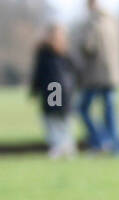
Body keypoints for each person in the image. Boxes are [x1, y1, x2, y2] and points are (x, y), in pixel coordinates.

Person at [75, 0, 119, 154]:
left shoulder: (92, 22)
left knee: (82, 109)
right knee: (111, 112)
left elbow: (88, 47)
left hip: (96, 75)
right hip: (113, 74)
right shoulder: (113, 21)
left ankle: (102, 140)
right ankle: (117, 147)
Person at [29, 25, 79, 158]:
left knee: (54, 118)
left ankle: (60, 146)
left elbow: (38, 74)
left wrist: (33, 90)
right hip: (62, 89)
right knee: (63, 118)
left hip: (53, 89)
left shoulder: (44, 53)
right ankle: (66, 145)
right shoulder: (65, 51)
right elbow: (77, 70)